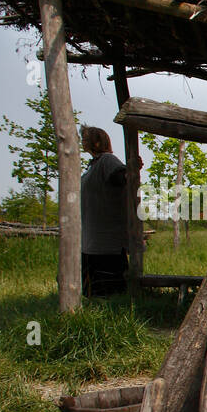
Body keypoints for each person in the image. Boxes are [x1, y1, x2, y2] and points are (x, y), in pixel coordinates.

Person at [79, 126, 129, 296]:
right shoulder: (93, 165)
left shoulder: (107, 160)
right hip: (92, 234)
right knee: (92, 286)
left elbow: (122, 177)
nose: (82, 142)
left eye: (86, 138)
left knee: (108, 286)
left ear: (98, 142)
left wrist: (131, 170)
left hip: (106, 237)